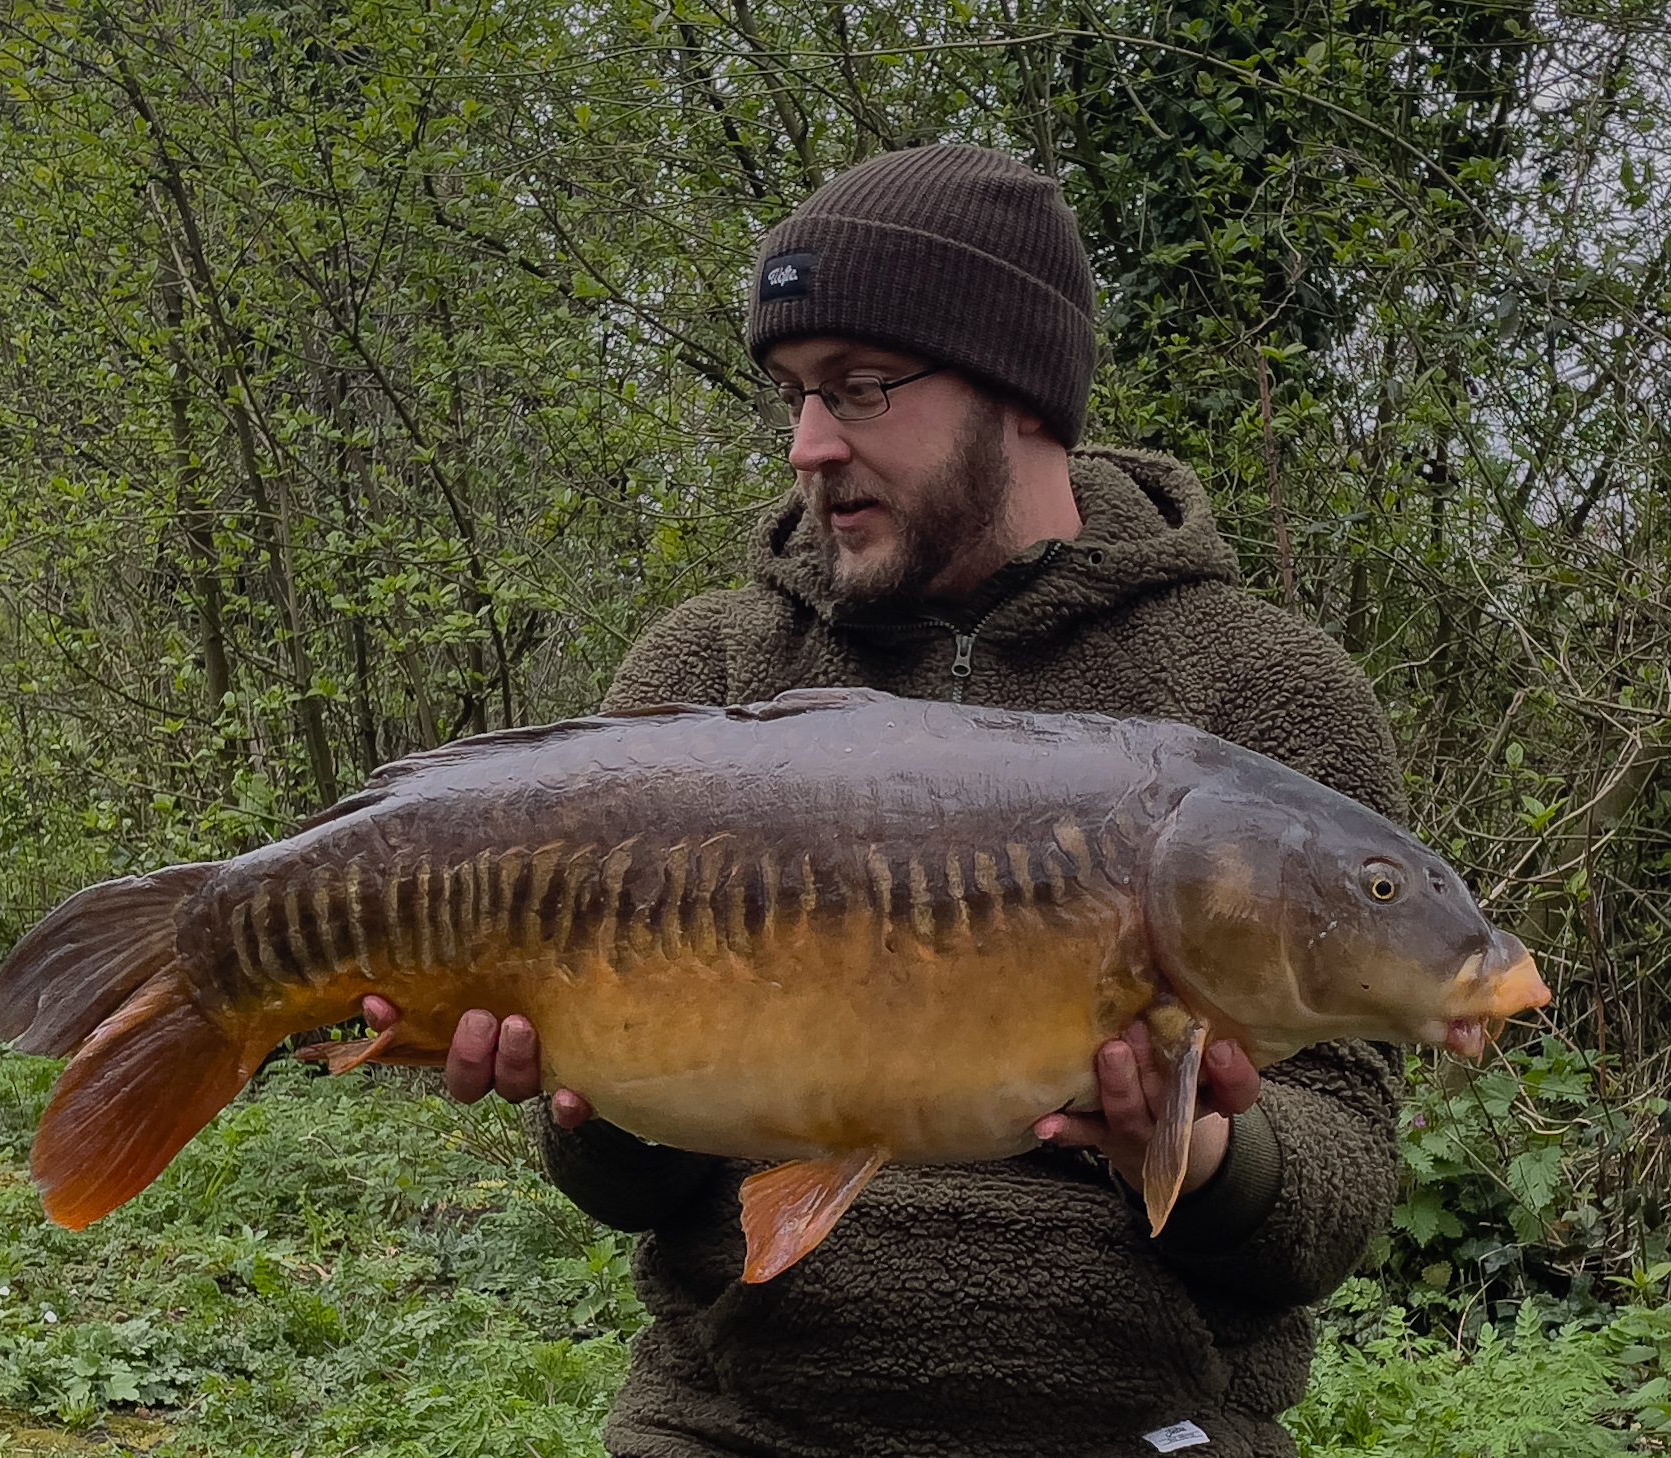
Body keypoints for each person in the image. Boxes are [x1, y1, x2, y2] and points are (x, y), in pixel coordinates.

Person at [377, 144, 1405, 1456]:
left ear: (1017, 388)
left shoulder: (1261, 692)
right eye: (795, 396)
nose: (809, 446)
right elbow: (618, 1190)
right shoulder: (710, 675)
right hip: (735, 1423)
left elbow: (1339, 1193)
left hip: (1133, 1425)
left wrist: (1195, 1149)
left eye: (861, 388)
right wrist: (592, 1097)